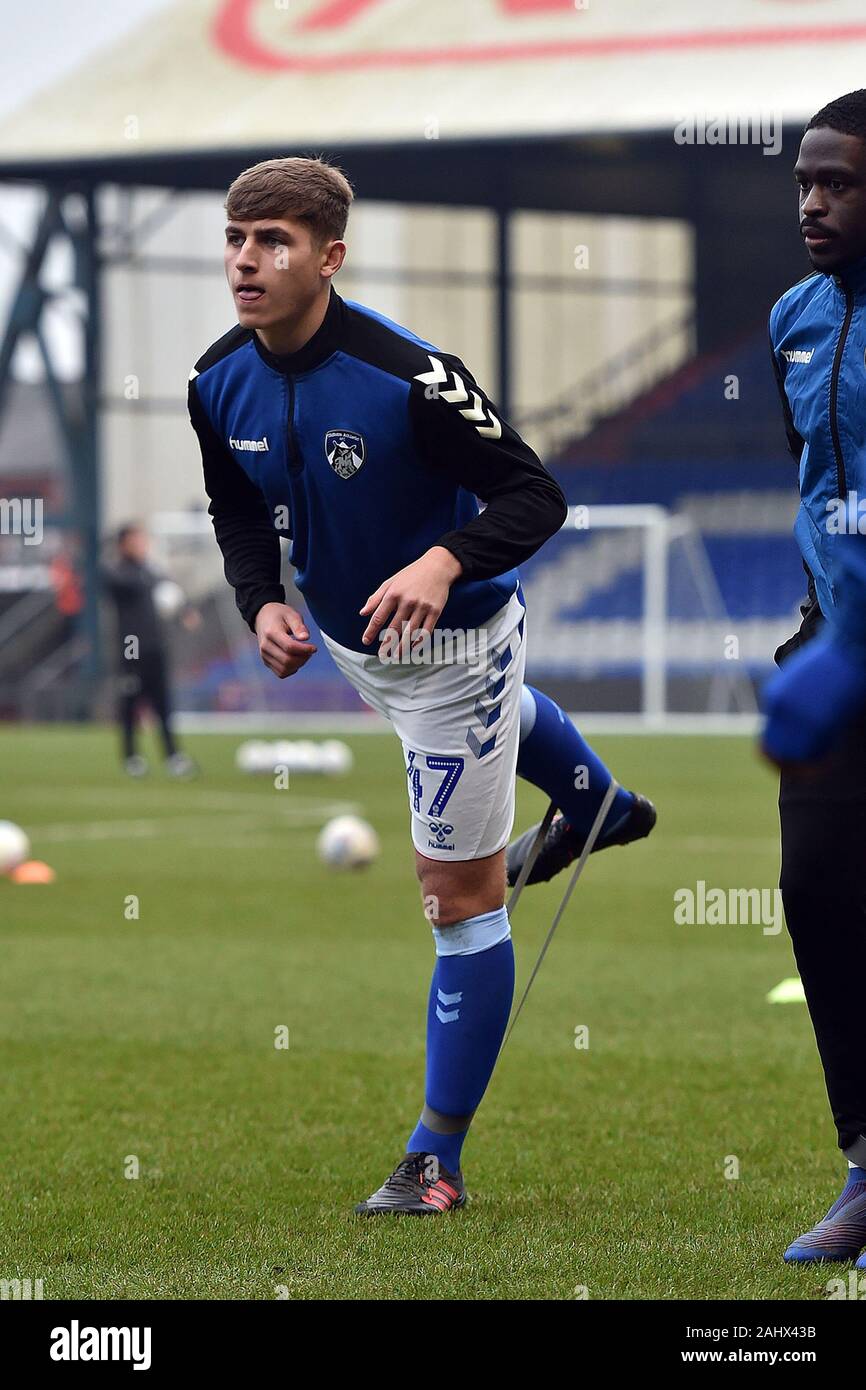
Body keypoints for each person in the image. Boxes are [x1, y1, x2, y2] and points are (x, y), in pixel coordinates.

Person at [189, 156, 656, 1216]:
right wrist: (260, 595)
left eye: (273, 241)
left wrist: (444, 559)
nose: (246, 261)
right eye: (234, 238)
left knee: (455, 899)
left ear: (329, 257)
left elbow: (536, 495)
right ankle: (596, 803)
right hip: (361, 652)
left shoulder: (411, 377)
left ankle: (433, 1159)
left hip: (453, 654)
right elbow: (234, 507)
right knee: (499, 747)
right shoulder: (215, 380)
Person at [765, 89, 866, 1264]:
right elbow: (812, 493)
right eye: (803, 181)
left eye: (836, 182)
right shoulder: (795, 317)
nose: (810, 200)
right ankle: (860, 1164)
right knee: (820, 899)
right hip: (833, 679)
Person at [101, 523, 198, 778]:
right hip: (131, 651)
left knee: (164, 705)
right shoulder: (117, 572)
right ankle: (132, 757)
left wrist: (185, 609)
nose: (142, 545)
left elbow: (171, 594)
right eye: (136, 540)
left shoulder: (151, 572)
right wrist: (156, 579)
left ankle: (173, 756)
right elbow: (132, 585)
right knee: (130, 704)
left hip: (156, 649)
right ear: (123, 544)